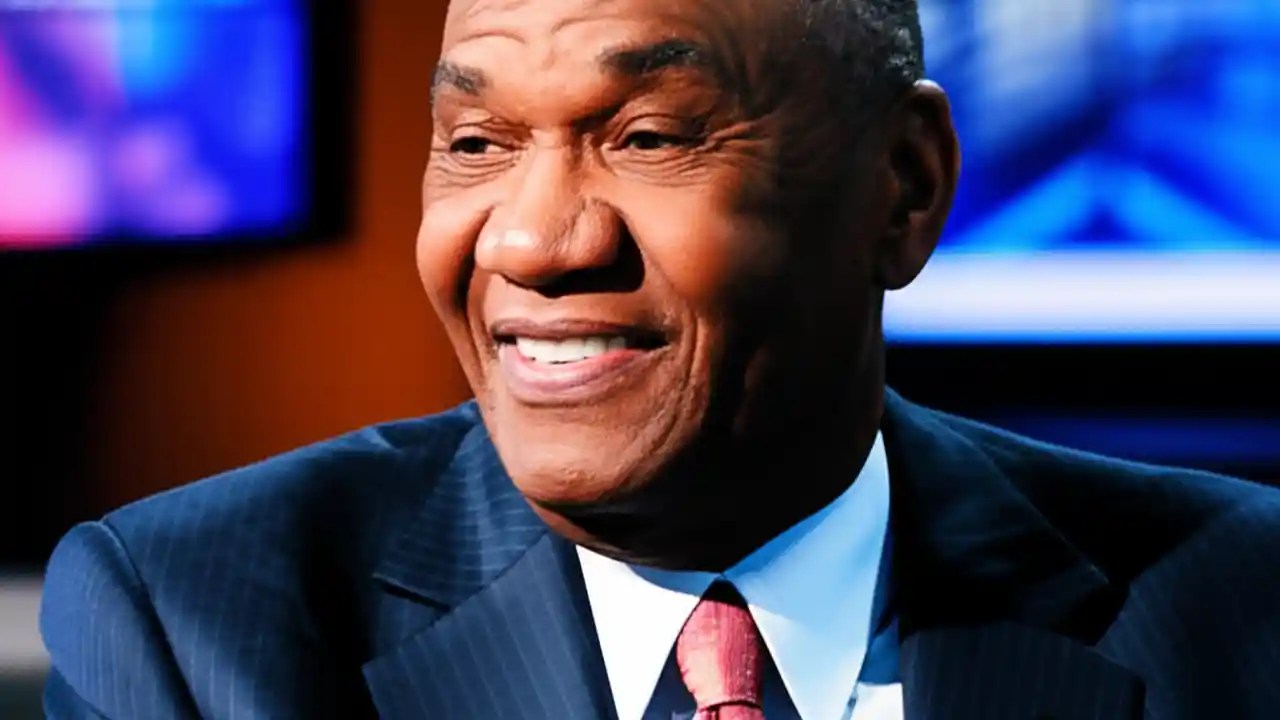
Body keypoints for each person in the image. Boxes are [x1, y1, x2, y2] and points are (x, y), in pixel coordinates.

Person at [39, 0, 1280, 718]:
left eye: (646, 136)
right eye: (473, 142)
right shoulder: (195, 628)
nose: (531, 238)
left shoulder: (1236, 607)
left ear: (901, 188)